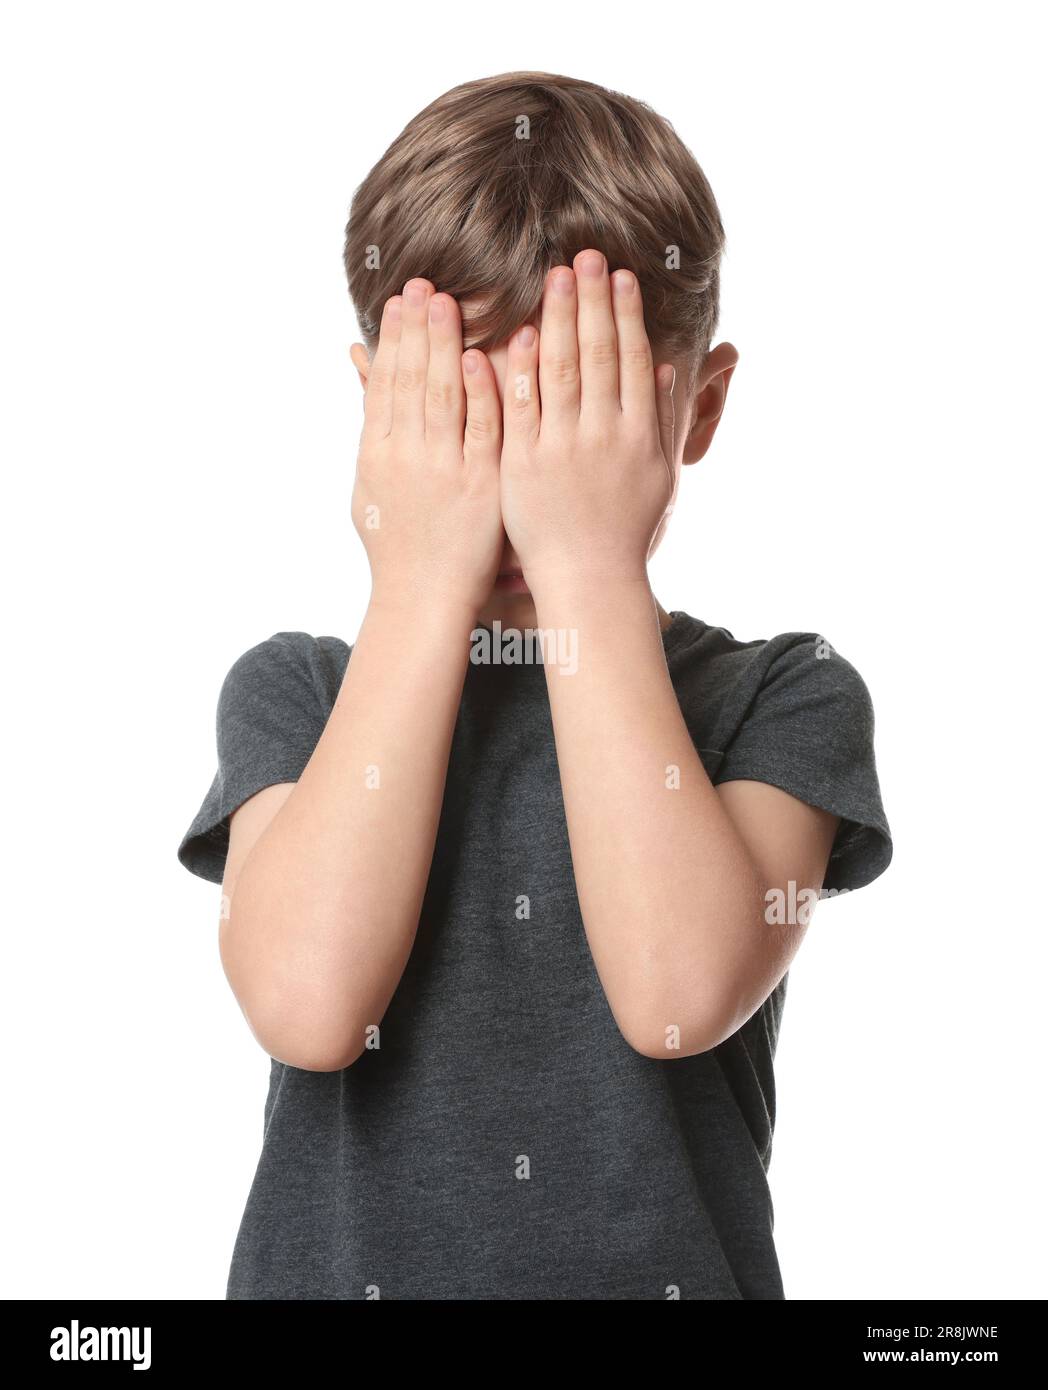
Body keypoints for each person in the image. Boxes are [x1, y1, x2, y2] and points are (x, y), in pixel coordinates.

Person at [177, 71, 892, 1300]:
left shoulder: (783, 697)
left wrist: (583, 562)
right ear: (381, 413)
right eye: (466, 412)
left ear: (697, 407)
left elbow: (675, 995)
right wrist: (415, 580)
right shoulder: (296, 694)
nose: (520, 478)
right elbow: (306, 1002)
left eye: (576, 416)